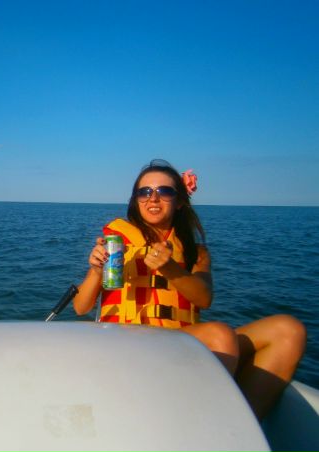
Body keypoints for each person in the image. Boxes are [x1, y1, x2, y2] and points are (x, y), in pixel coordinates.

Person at [72, 159, 306, 420]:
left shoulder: (196, 253)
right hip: (125, 343)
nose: (153, 198)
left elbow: (203, 298)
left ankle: (243, 425)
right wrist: (96, 271)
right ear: (136, 200)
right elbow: (81, 307)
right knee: (220, 335)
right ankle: (214, 423)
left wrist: (170, 268)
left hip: (176, 343)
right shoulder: (116, 245)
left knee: (288, 330)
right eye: (145, 192)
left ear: (180, 201)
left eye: (164, 191)